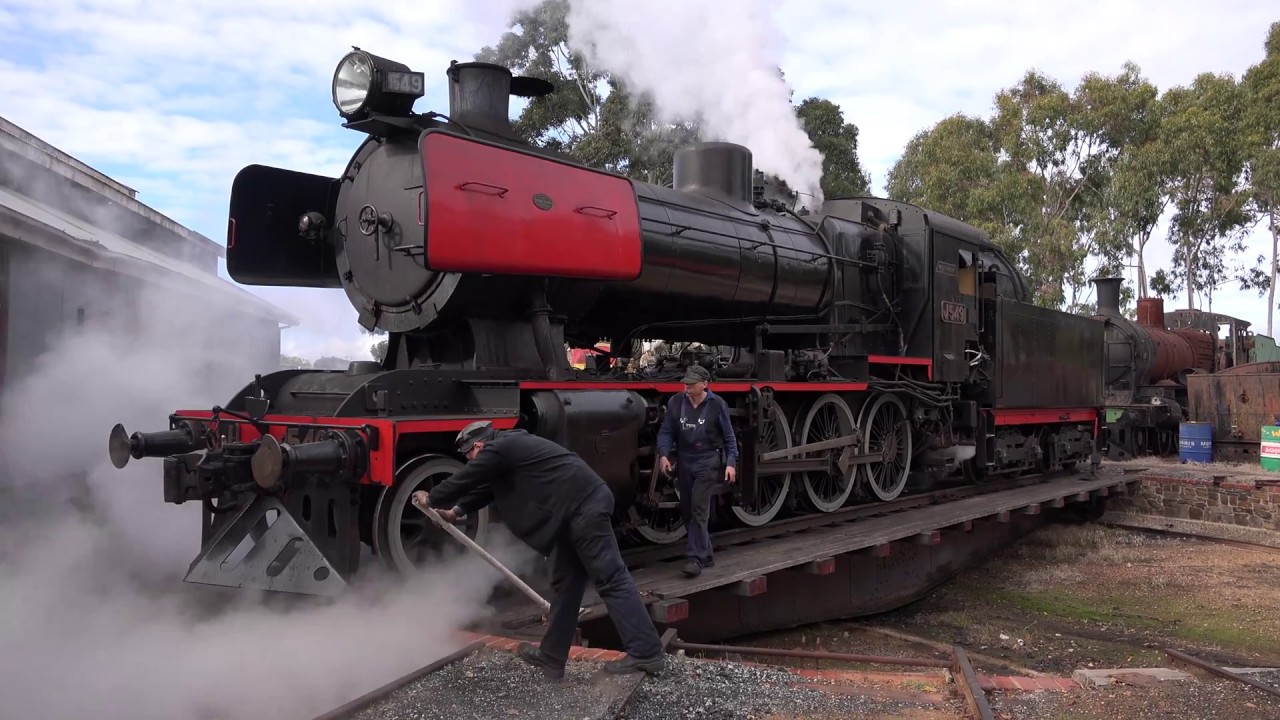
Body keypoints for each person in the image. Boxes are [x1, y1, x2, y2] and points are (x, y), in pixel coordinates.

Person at [412, 421, 666, 681]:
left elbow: (470, 477)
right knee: (566, 586)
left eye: (469, 456)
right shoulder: (506, 450)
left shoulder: (501, 446)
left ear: (478, 445)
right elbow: (485, 488)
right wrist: (455, 512)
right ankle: (552, 657)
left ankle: (646, 653)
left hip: (583, 508)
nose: (470, 461)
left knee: (611, 578)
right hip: (573, 513)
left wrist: (432, 498)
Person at [655, 364, 739, 578]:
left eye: (691, 385)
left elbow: (730, 437)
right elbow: (666, 431)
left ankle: (695, 558)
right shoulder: (676, 402)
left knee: (698, 509)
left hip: (707, 461)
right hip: (685, 459)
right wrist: (664, 454)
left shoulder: (717, 404)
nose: (687, 388)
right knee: (687, 510)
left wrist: (731, 462)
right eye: (686, 384)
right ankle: (707, 554)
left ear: (704, 385)